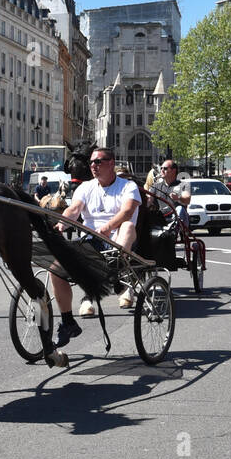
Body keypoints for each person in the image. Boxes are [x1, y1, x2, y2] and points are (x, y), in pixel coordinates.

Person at [48, 148, 143, 345]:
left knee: (128, 226)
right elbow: (73, 210)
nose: (93, 166)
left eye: (98, 162)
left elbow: (127, 211)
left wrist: (107, 228)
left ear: (111, 163)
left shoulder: (128, 186)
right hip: (90, 242)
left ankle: (115, 268)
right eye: (92, 162)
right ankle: (67, 321)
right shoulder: (85, 187)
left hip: (116, 240)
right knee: (55, 269)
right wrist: (61, 223)